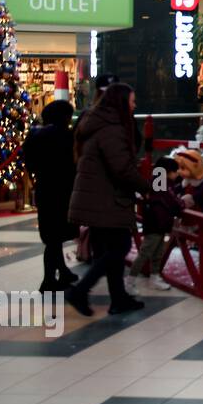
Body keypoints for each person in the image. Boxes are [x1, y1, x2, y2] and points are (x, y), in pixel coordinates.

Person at [65, 83, 150, 317]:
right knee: (119, 247)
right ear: (121, 102)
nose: (135, 105)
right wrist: (146, 188)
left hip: (96, 198)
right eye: (132, 101)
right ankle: (80, 291)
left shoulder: (97, 123)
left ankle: (119, 298)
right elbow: (122, 168)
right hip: (107, 199)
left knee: (108, 251)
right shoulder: (112, 129)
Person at [21, 99, 78, 293]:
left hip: (44, 188)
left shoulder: (35, 135)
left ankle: (62, 271)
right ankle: (47, 280)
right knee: (56, 237)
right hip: (62, 190)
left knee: (54, 235)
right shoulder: (65, 136)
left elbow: (30, 163)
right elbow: (72, 164)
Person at [131, 157, 184, 290]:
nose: (177, 173)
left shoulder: (158, 181)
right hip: (156, 223)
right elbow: (172, 201)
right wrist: (182, 204)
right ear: (167, 172)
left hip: (159, 223)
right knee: (146, 252)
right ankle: (130, 280)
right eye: (175, 171)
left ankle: (154, 277)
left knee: (157, 253)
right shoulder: (161, 184)